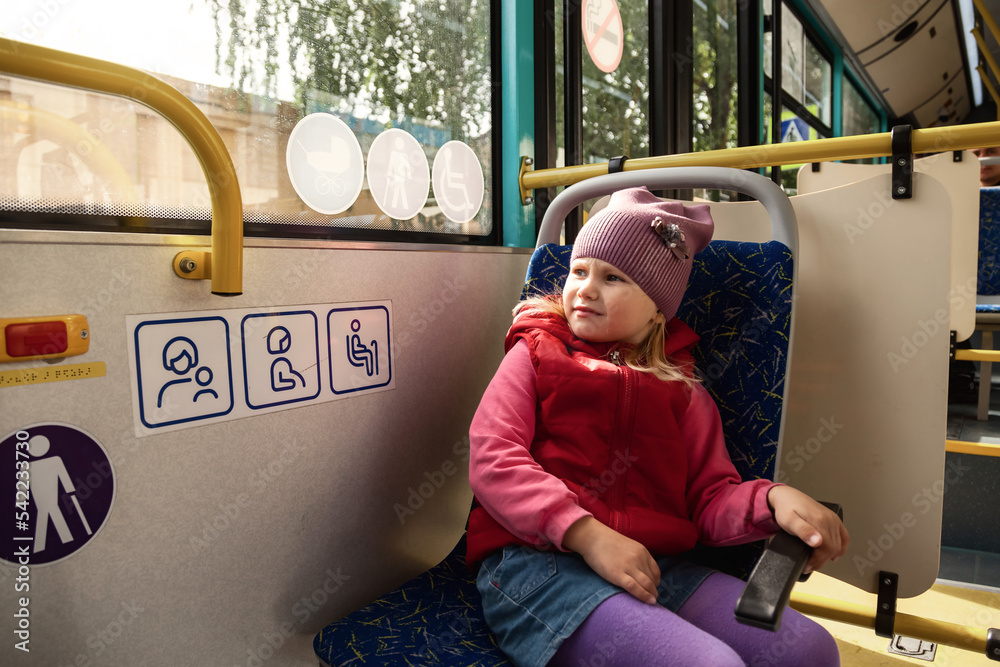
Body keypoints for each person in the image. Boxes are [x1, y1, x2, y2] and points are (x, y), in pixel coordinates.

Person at [466, 187, 849, 667]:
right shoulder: (536, 354)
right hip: (537, 564)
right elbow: (492, 458)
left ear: (656, 308)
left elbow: (709, 499)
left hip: (653, 563)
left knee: (810, 651)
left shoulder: (684, 391)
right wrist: (587, 534)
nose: (584, 288)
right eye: (579, 271)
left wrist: (770, 500)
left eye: (613, 278)